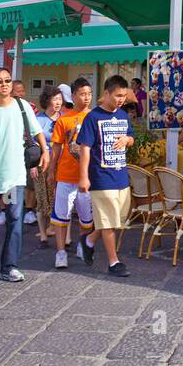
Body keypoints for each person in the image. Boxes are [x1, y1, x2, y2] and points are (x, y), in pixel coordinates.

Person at [0, 68, 47, 282]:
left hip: (14, 176)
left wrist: (46, 151)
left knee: (15, 219)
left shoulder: (22, 107)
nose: (4, 84)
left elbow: (37, 131)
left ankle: (9, 266)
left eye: (7, 80)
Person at [75, 74, 135, 277]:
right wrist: (84, 177)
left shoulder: (124, 116)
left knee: (117, 219)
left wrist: (127, 139)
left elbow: (132, 138)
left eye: (124, 96)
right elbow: (84, 148)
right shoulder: (93, 117)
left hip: (121, 175)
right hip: (100, 176)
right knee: (109, 221)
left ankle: (89, 241)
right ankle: (113, 261)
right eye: (118, 95)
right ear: (107, 93)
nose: (121, 100)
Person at [48, 77, 95, 269]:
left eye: (89, 94)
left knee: (87, 218)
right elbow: (56, 149)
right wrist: (52, 171)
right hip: (66, 176)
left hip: (88, 178)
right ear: (73, 95)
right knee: (61, 217)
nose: (86, 98)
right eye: (82, 94)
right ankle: (60, 252)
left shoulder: (94, 117)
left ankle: (83, 246)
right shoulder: (63, 119)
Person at [30, 85, 63, 245]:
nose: (57, 103)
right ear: (47, 100)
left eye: (59, 99)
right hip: (42, 163)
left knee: (58, 198)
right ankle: (43, 233)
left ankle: (55, 230)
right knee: (42, 198)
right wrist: (32, 165)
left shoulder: (64, 118)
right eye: (54, 99)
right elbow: (31, 144)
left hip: (61, 163)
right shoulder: (38, 120)